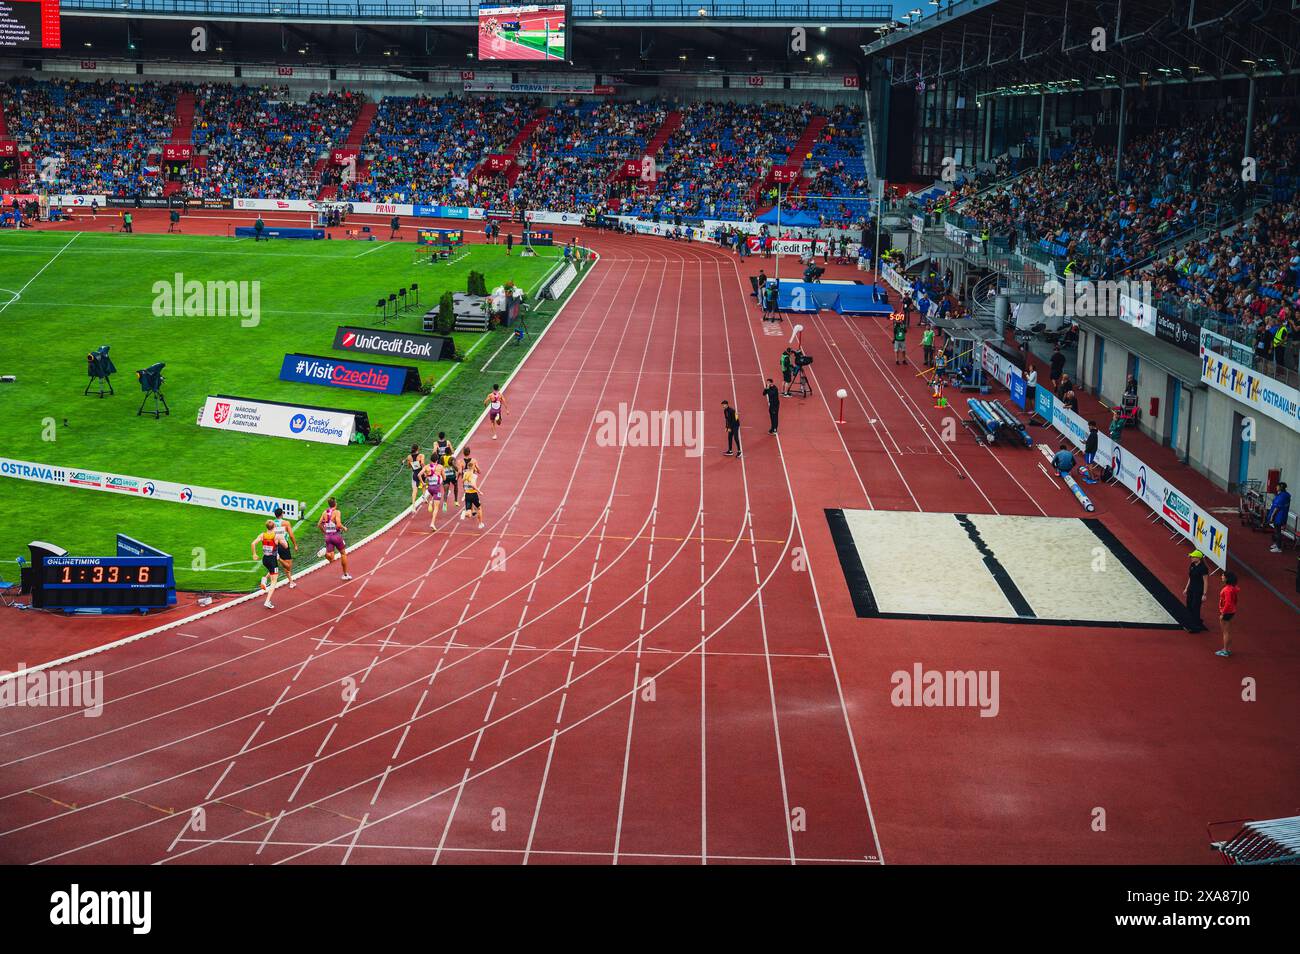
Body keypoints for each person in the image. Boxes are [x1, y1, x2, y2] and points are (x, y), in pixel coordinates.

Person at [318, 497, 351, 580]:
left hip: (328, 537)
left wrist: (325, 532)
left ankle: (325, 553)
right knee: (343, 553)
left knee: (331, 558)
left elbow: (319, 524)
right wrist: (344, 528)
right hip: (336, 536)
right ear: (335, 503)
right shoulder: (337, 512)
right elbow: (339, 524)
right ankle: (345, 574)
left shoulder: (324, 512)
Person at [252, 519, 281, 609]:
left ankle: (264, 579)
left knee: (273, 572)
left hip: (265, 559)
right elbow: (281, 544)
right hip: (272, 560)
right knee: (274, 581)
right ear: (274, 527)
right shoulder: (276, 536)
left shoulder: (262, 535)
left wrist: (254, 554)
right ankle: (267, 601)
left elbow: (253, 543)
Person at [1182, 550, 1209, 632]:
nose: (1191, 558)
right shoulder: (1192, 565)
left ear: (1198, 558)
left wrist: (1204, 594)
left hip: (1198, 591)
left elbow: (1206, 581)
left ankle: (1195, 627)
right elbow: (1190, 577)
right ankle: (1194, 622)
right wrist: (1186, 588)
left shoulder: (1203, 568)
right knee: (1189, 605)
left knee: (1195, 607)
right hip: (1191, 589)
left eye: (1193, 557)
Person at [1216, 571, 1240, 657]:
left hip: (1227, 612)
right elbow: (1234, 600)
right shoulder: (1233, 588)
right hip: (1231, 611)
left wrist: (1223, 613)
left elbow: (1228, 603)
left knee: (1225, 632)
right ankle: (1228, 649)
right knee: (1228, 631)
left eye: (1223, 576)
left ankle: (1225, 650)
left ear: (1227, 578)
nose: (1221, 577)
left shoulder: (1227, 590)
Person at [273, 506, 296, 590]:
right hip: (284, 545)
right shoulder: (286, 523)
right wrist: (295, 545)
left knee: (279, 567)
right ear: (282, 514)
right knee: (288, 566)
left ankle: (291, 582)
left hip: (276, 545)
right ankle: (279, 559)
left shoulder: (272, 523)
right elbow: (291, 535)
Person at [461, 455, 484, 529]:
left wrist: (465, 488)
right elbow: (472, 484)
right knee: (479, 508)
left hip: (467, 494)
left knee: (469, 514)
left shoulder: (465, 474)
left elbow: (462, 481)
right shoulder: (474, 475)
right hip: (473, 494)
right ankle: (480, 523)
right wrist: (479, 491)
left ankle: (465, 513)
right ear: (473, 467)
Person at [1267, 482, 1291, 552]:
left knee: (1278, 531)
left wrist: (1272, 516)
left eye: (1277, 486)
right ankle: (1277, 543)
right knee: (1276, 530)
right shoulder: (1282, 495)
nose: (1276, 487)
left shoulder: (1282, 496)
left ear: (1281, 487)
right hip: (1279, 515)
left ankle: (1278, 547)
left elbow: (1277, 507)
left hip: (1279, 516)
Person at [423, 457, 444, 530]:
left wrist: (423, 482)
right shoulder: (440, 467)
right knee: (436, 508)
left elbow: (421, 475)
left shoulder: (427, 467)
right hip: (436, 489)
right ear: (437, 460)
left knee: (434, 497)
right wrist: (441, 477)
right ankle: (432, 523)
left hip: (430, 488)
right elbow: (444, 478)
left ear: (430, 460)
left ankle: (431, 501)